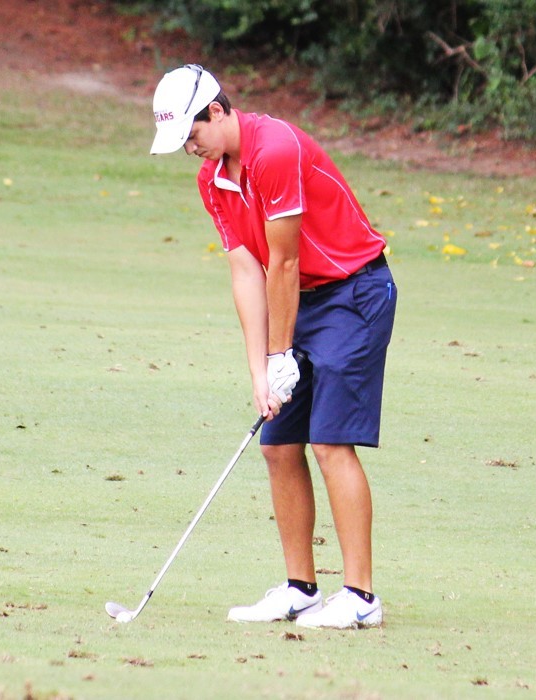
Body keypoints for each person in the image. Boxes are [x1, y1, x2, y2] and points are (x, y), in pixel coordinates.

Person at [148, 64, 397, 630]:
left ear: (216, 110)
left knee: (329, 442)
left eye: (192, 133)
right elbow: (246, 271)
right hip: (299, 299)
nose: (190, 148)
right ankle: (300, 589)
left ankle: (361, 596)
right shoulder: (212, 179)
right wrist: (261, 370)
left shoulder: (275, 150)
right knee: (278, 444)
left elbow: (283, 261)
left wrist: (281, 353)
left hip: (353, 292)